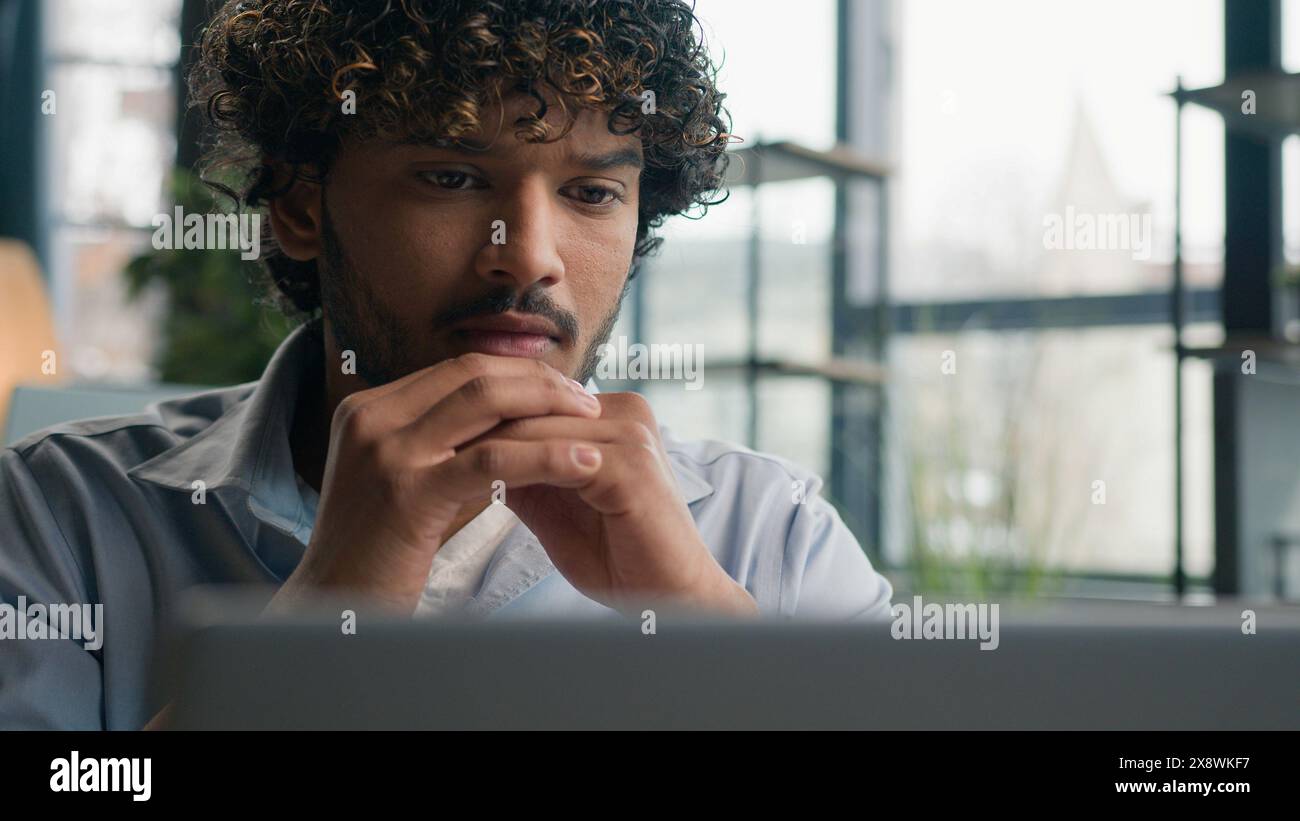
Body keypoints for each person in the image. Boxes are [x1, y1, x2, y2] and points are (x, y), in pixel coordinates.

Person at [0, 0, 893, 730]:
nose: (528, 255)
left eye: (591, 193)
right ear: (303, 205)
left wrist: (706, 623)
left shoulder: (773, 536)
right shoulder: (54, 517)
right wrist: (326, 615)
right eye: (454, 178)